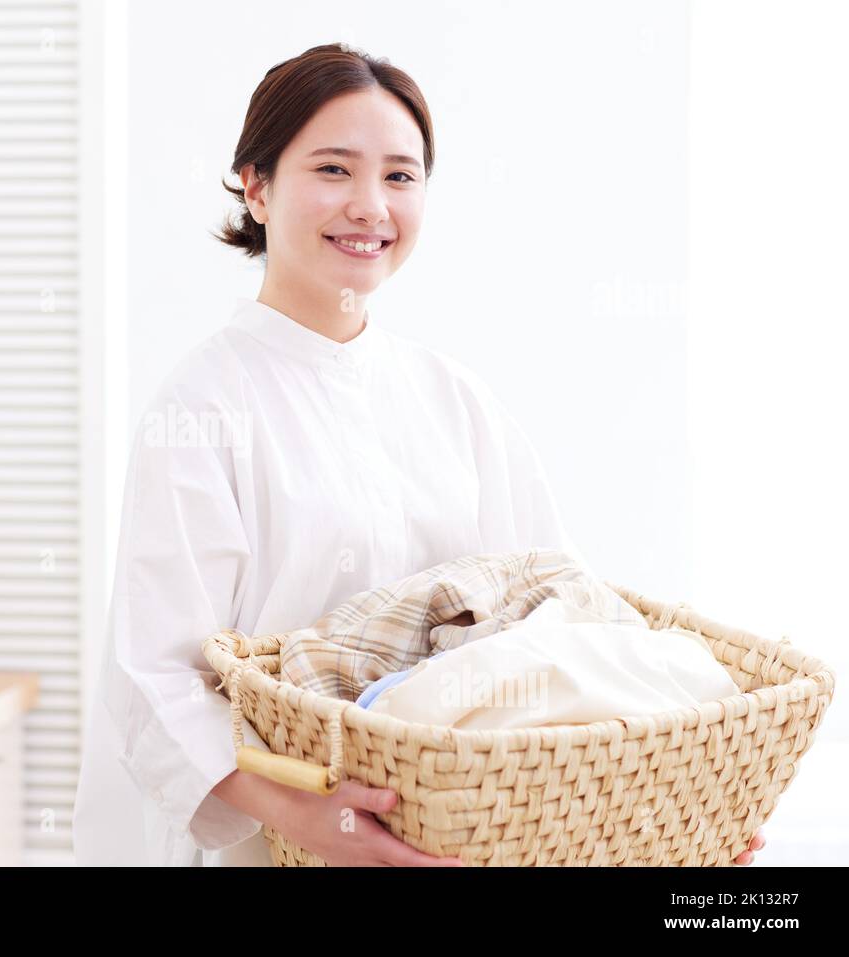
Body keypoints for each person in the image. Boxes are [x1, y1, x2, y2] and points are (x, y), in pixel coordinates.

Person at [71, 41, 765, 868]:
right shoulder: (202, 406)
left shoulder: (453, 398)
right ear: (256, 187)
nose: (370, 205)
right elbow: (156, 684)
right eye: (333, 169)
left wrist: (668, 803)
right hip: (282, 842)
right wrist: (311, 818)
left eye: (400, 176)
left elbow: (563, 626)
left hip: (465, 832)